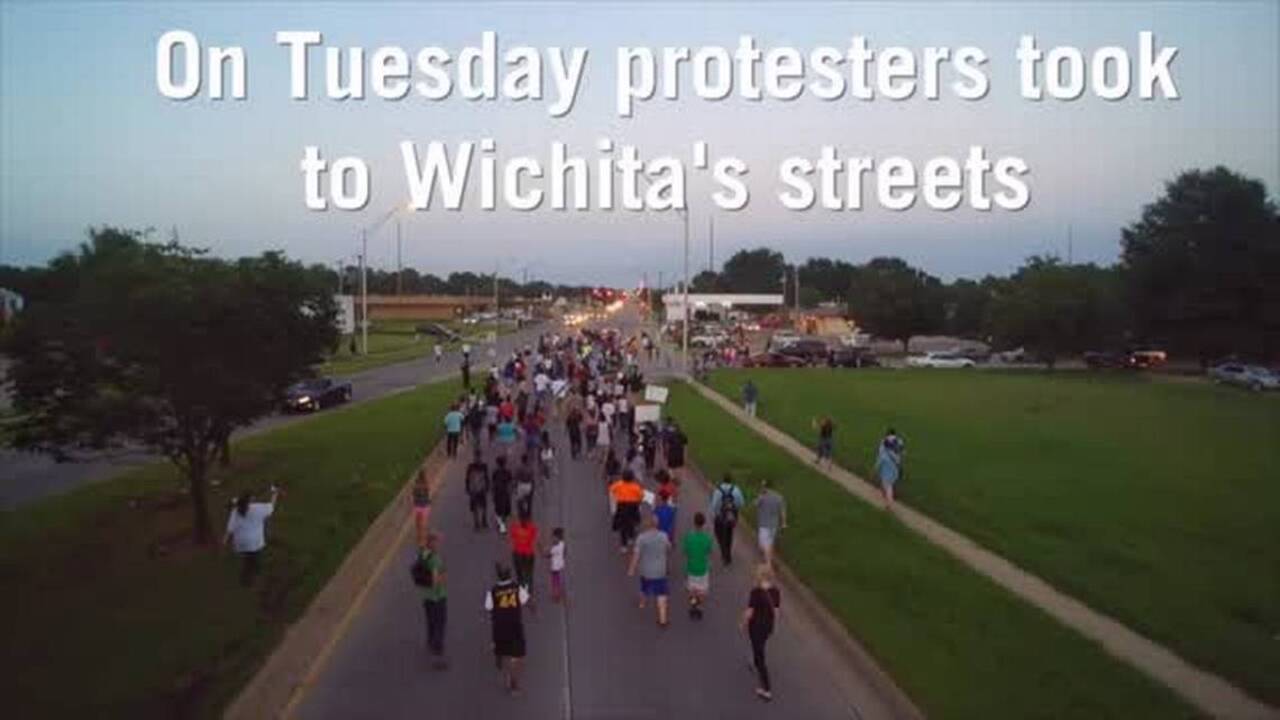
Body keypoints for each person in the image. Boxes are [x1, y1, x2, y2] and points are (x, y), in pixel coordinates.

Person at [486, 564, 530, 696]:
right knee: (516, 656)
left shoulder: (493, 591)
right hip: (514, 626)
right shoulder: (516, 588)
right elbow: (527, 600)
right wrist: (533, 609)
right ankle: (513, 685)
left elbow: (488, 607)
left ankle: (498, 653)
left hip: (499, 627)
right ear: (510, 575)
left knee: (500, 644)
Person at [224, 486, 280, 586]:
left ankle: (250, 572)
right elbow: (271, 507)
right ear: (250, 500)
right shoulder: (257, 509)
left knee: (248, 557)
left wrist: (225, 540)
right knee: (253, 560)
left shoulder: (236, 510)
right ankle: (248, 577)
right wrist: (275, 494)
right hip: (254, 542)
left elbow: (230, 529)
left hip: (240, 543)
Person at [741, 564, 782, 702]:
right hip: (767, 627)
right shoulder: (776, 592)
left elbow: (749, 612)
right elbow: (776, 611)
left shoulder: (756, 592)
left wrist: (743, 623)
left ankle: (766, 689)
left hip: (756, 627)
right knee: (760, 644)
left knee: (760, 657)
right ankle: (754, 659)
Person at [628, 513, 673, 627]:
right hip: (660, 571)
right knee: (661, 595)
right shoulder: (663, 536)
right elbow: (669, 547)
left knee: (644, 587)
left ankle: (642, 602)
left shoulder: (641, 538)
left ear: (646, 525)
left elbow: (636, 555)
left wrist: (632, 568)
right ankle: (663, 619)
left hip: (646, 571)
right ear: (657, 524)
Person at [411, 533, 448, 669]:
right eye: (437, 541)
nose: (439, 544)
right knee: (440, 625)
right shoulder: (435, 560)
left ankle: (430, 643)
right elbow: (434, 581)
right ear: (433, 543)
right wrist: (442, 577)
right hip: (437, 596)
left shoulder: (424, 555)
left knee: (431, 623)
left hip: (427, 597)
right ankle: (438, 656)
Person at [708, 474, 745, 565]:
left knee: (718, 533)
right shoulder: (736, 490)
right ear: (731, 480)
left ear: (723, 480)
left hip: (720, 517)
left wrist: (713, 515)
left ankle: (724, 551)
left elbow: (714, 505)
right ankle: (727, 552)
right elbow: (741, 503)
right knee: (729, 534)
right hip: (731, 517)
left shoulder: (718, 491)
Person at [683, 512, 713, 619]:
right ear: (704, 524)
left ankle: (693, 604)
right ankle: (699, 606)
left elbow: (686, 553)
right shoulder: (707, 538)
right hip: (703, 568)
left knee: (692, 589)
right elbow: (709, 552)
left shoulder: (689, 537)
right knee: (702, 590)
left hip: (691, 567)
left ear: (694, 523)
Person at [609, 469, 645, 553]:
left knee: (623, 526)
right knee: (632, 522)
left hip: (621, 506)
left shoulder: (618, 485)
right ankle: (631, 536)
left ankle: (623, 545)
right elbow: (641, 496)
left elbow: (611, 490)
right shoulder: (635, 486)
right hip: (633, 506)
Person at [754, 479, 787, 566]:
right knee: (770, 544)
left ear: (765, 487)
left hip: (764, 525)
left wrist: (760, 497)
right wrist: (783, 523)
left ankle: (768, 563)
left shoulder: (762, 497)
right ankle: (769, 560)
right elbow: (783, 511)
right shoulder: (779, 497)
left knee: (763, 545)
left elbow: (755, 504)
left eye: (762, 486)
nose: (761, 488)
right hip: (774, 525)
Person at [509, 509, 539, 594]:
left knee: (521, 573)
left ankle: (522, 589)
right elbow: (534, 539)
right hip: (528, 554)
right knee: (528, 572)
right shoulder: (532, 528)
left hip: (519, 553)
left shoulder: (515, 527)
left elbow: (513, 537)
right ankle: (528, 589)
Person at [875, 428, 905, 506]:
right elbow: (901, 452)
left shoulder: (883, 442)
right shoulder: (899, 441)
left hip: (886, 465)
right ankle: (889, 495)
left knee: (887, 485)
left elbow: (880, 454)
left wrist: (876, 466)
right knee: (890, 483)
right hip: (895, 465)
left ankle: (889, 501)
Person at [464, 450, 490, 530]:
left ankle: (483, 520)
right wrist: (467, 487)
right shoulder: (471, 466)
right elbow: (467, 478)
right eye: (476, 457)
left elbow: (486, 477)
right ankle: (477, 522)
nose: (477, 459)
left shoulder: (484, 466)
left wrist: (487, 486)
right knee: (475, 506)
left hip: (481, 488)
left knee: (483, 506)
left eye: (478, 457)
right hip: (474, 489)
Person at [491, 456, 514, 534]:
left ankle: (501, 524)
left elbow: (493, 484)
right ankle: (502, 526)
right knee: (504, 510)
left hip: (498, 493)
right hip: (504, 493)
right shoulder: (507, 472)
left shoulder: (496, 472)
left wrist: (492, 493)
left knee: (498, 510)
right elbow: (510, 483)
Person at [410, 467, 432, 546]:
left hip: (419, 506)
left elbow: (413, 494)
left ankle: (421, 538)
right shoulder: (425, 484)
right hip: (424, 506)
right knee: (422, 523)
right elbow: (428, 494)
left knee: (419, 523)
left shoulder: (417, 484)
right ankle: (422, 538)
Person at [547, 527, 567, 604]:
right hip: (561, 567)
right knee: (560, 582)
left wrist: (540, 548)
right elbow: (565, 552)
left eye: (554, 537)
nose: (553, 539)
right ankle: (561, 596)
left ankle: (556, 597)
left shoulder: (555, 548)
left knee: (555, 583)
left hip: (555, 569)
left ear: (558, 537)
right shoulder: (562, 544)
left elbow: (547, 555)